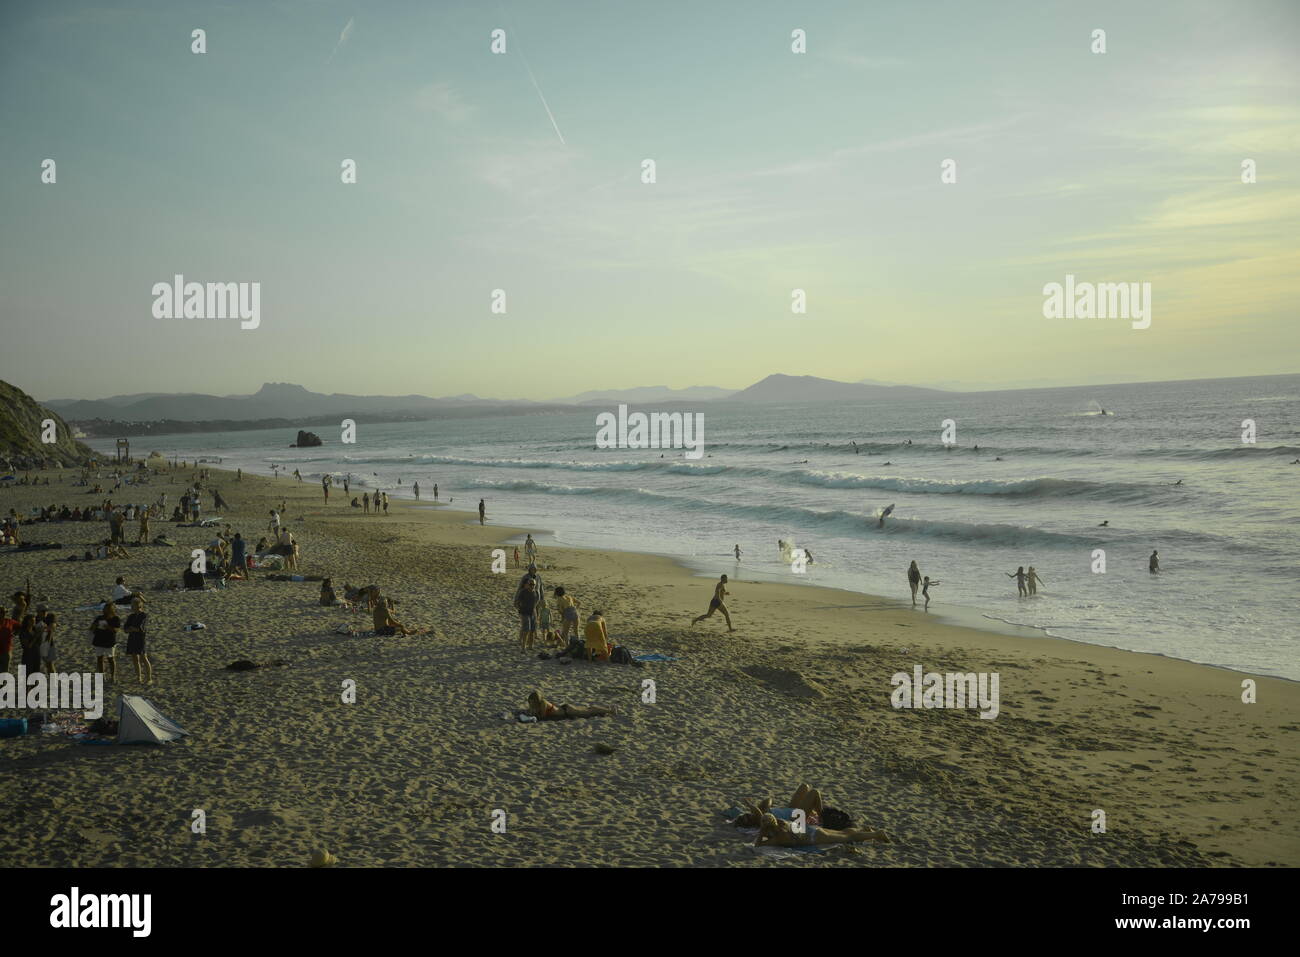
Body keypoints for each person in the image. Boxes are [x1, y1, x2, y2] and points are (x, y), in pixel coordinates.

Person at [754, 812, 889, 848]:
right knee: (844, 833)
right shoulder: (782, 823)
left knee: (848, 838)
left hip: (816, 837)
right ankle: (863, 830)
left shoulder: (779, 838)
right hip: (813, 830)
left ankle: (877, 834)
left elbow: (758, 844)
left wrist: (761, 831)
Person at [526, 690, 614, 721]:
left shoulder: (543, 703)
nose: (531, 703)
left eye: (531, 701)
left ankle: (609, 710)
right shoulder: (537, 705)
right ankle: (606, 709)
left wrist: (532, 715)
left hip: (567, 711)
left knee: (588, 711)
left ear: (536, 700)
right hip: (565, 709)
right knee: (588, 710)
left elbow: (542, 716)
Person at [124, 597, 151, 684]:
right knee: (135, 658)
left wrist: (133, 629)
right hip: (132, 638)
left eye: (133, 605)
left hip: (140, 639)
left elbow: (142, 628)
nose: (131, 607)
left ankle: (149, 678)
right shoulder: (131, 616)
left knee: (144, 658)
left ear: (138, 605)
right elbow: (125, 628)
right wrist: (130, 629)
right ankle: (139, 677)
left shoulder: (144, 615)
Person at [91, 601, 121, 678]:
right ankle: (102, 676)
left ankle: (112, 676)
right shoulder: (99, 618)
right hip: (99, 640)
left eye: (107, 609)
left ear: (111, 610)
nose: (104, 610)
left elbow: (116, 630)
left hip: (109, 642)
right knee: (99, 659)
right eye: (104, 609)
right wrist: (95, 625)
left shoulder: (115, 619)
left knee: (111, 659)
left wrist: (108, 627)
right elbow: (92, 629)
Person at [515, 579, 540, 651]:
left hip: (533, 613)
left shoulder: (536, 592)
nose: (532, 586)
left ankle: (530, 646)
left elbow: (536, 603)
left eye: (533, 584)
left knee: (532, 630)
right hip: (524, 613)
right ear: (527, 584)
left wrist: (536, 614)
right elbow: (517, 602)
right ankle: (523, 647)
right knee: (526, 630)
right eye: (530, 584)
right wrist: (520, 610)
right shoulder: (523, 592)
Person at [0, 606, 15, 675]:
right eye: (1, 612)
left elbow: (20, 626)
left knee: (5, 672)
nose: (3, 614)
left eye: (3, 612)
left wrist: (14, 633)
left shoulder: (9, 621)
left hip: (6, 650)